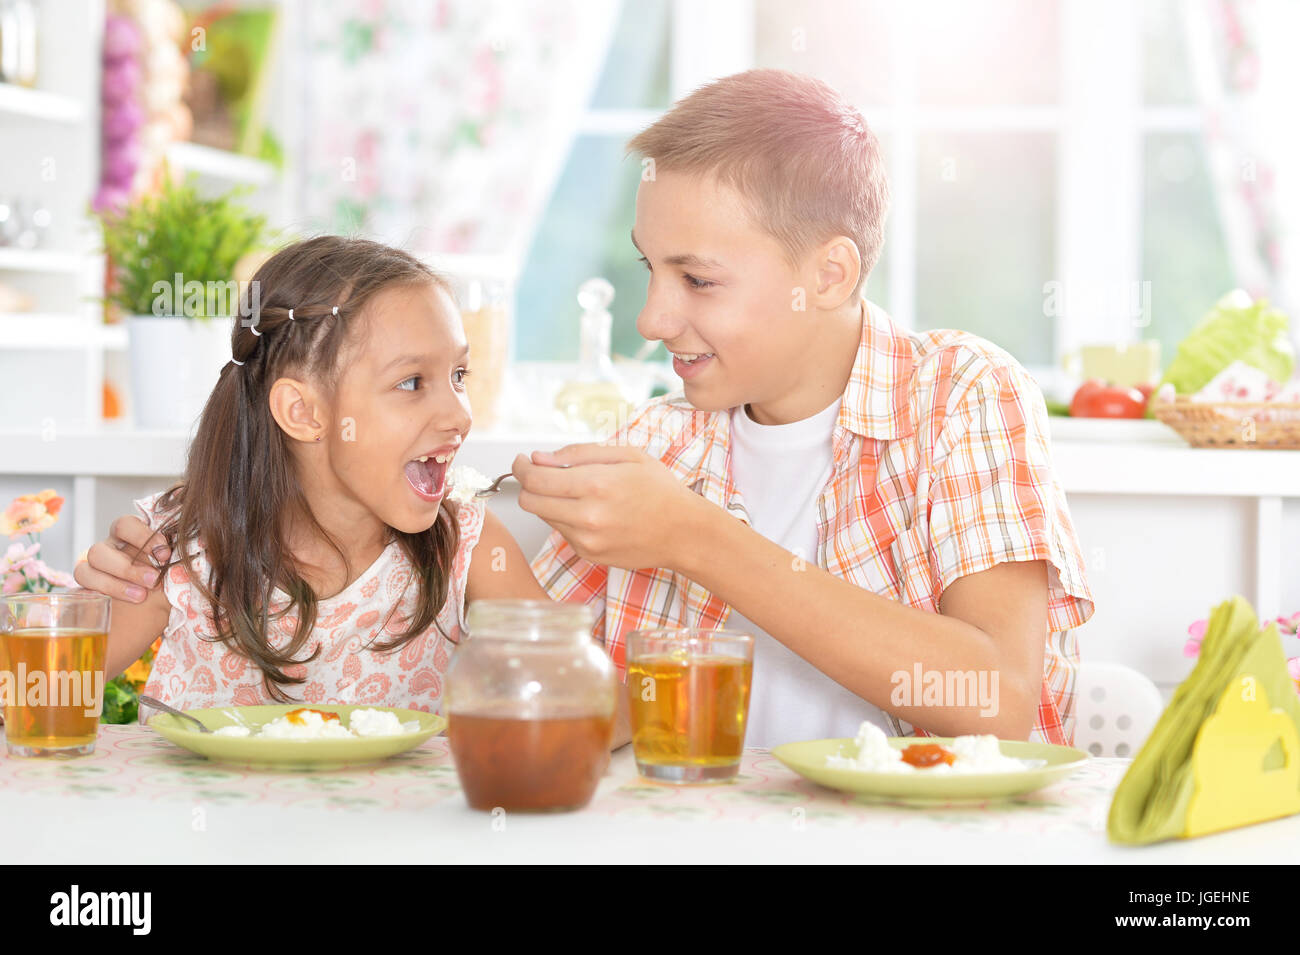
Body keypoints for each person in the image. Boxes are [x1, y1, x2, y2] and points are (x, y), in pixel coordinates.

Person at [514, 69, 1095, 747]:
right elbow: (564, 705)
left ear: (829, 275)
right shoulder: (656, 443)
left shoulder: (962, 398)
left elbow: (997, 699)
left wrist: (694, 537)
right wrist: (476, 551)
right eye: (650, 269)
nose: (651, 319)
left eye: (698, 279)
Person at [75, 236, 549, 718]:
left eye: (459, 376)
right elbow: (28, 695)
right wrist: (75, 614)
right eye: (412, 383)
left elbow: (590, 700)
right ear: (302, 411)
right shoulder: (183, 550)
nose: (459, 416)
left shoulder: (466, 544)